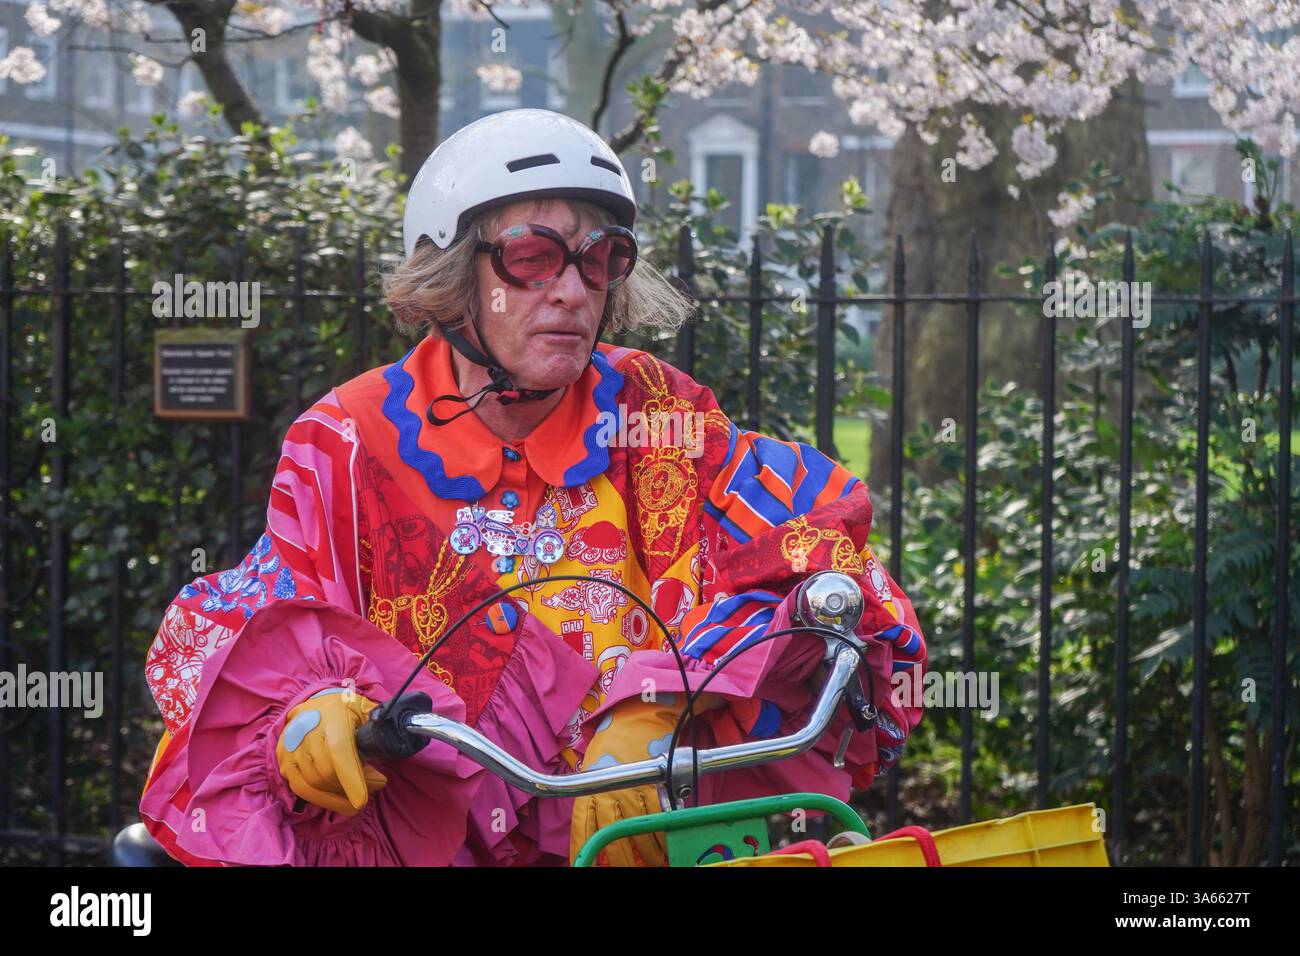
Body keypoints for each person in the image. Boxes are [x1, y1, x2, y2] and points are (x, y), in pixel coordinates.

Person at [138, 108, 928, 867]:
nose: (573, 290)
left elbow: (807, 554)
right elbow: (257, 630)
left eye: (600, 257)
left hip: (647, 842)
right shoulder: (346, 439)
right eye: (531, 256)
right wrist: (300, 721)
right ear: (450, 271)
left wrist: (664, 701)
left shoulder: (658, 410)